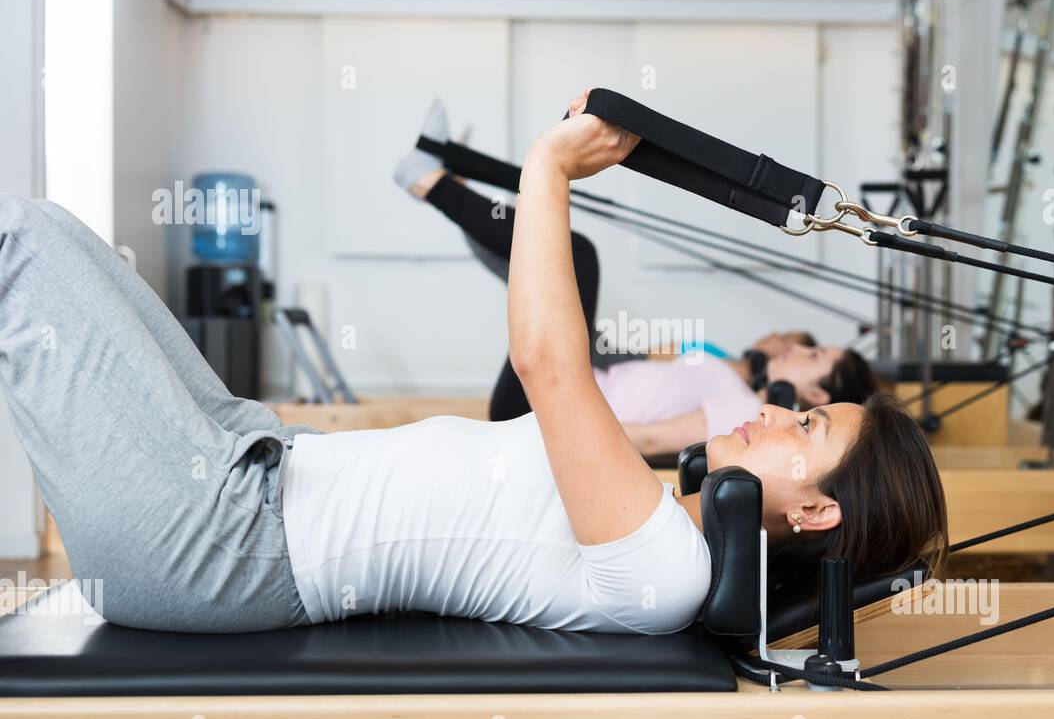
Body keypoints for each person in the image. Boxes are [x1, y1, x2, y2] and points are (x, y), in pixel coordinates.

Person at [0, 89, 946, 637]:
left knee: (22, 239)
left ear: (817, 508)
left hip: (214, 541)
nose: (780, 411)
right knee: (61, 237)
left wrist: (549, 167)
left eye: (809, 428)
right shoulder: (659, 516)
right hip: (251, 463)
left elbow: (547, 362)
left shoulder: (666, 568)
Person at [394, 100, 876, 457]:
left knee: (573, 258)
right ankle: (442, 180)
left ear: (817, 396)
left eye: (813, 356)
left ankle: (433, 182)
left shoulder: (742, 415)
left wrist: (534, 452)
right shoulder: (743, 392)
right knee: (543, 268)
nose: (797, 349)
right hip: (559, 392)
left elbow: (641, 440)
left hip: (540, 415)